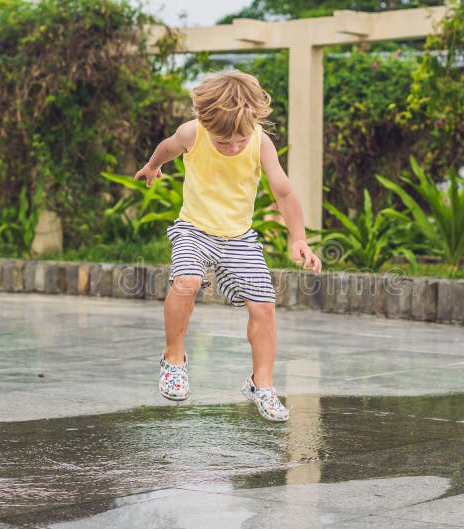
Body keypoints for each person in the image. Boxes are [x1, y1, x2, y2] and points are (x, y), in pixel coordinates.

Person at [133, 70, 322, 422]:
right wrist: (153, 166)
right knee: (186, 281)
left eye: (239, 140)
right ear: (204, 121)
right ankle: (174, 358)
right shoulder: (193, 133)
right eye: (224, 142)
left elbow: (283, 190)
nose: (233, 147)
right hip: (194, 229)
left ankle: (261, 384)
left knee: (264, 306)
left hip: (240, 238)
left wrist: (299, 238)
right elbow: (167, 147)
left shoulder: (260, 141)